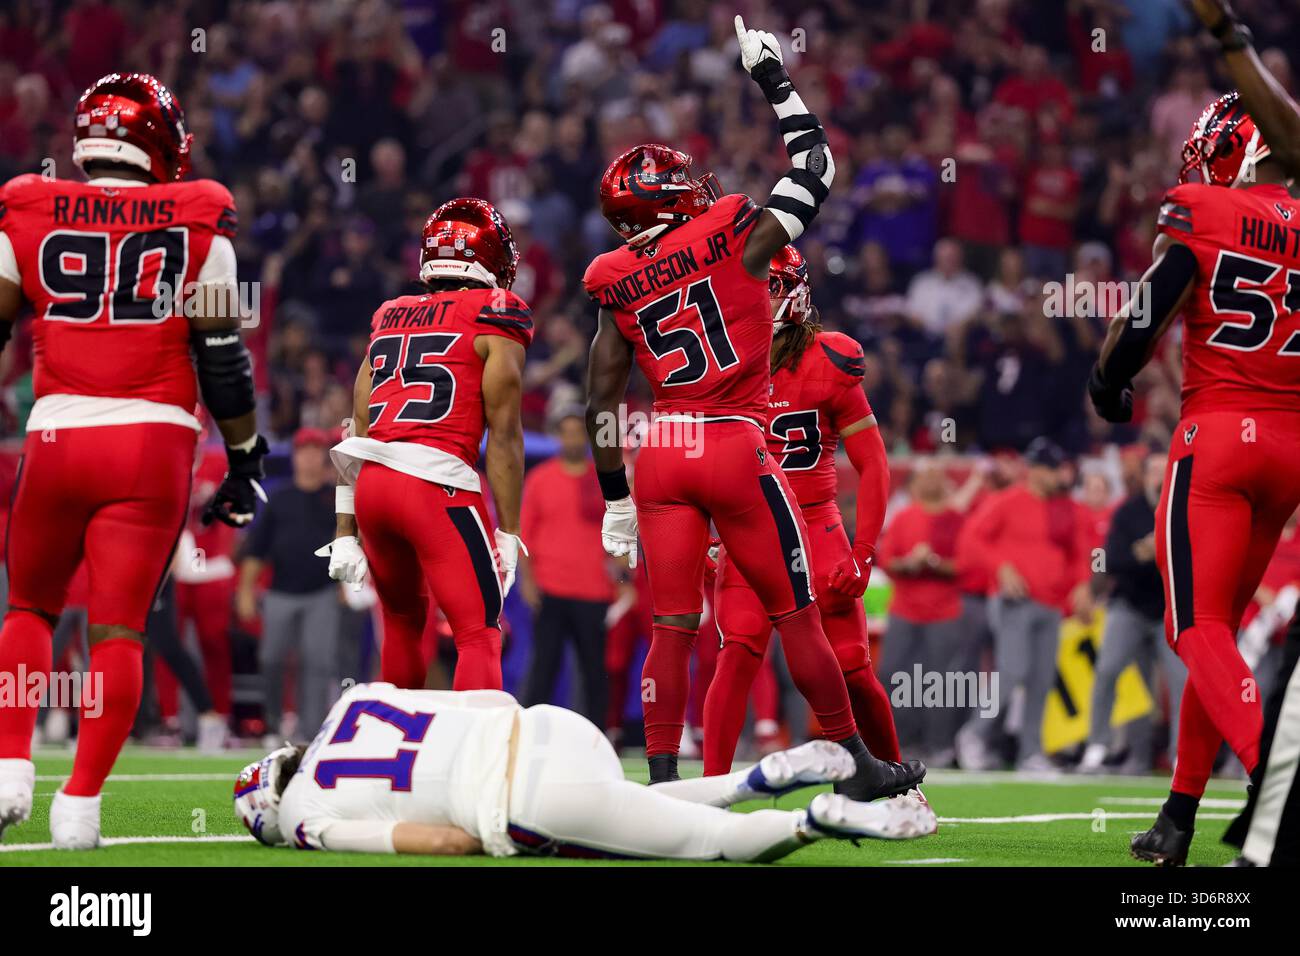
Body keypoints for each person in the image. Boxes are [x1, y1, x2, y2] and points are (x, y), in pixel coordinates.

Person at [582, 17, 922, 800]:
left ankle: (661, 779)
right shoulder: (735, 226)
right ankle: (857, 764)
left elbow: (601, 396)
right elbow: (818, 165)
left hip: (661, 449)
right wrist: (772, 78)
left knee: (672, 624)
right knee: (794, 613)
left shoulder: (610, 274)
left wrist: (615, 500)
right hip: (734, 441)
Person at [0, 73, 266, 848]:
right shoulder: (199, 217)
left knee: (29, 608)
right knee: (118, 631)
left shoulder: (26, 207)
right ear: (161, 140)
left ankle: (11, 763)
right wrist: (245, 454)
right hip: (151, 443)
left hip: (55, 436)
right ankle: (78, 805)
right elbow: (223, 356)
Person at [1087, 47, 1300, 860]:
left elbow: (1141, 325)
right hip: (1290, 450)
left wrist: (1108, 380)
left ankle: (1274, 777)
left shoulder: (1204, 212)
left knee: (1196, 629)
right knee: (1219, 634)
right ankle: (1178, 816)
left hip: (1219, 440)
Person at [233, 682, 937, 860]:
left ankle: (809, 821)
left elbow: (447, 843)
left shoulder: (301, 820)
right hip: (549, 726)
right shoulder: (356, 701)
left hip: (526, 800)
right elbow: (493, 699)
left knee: (709, 844)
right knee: (631, 800)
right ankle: (753, 780)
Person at [317, 198, 531, 692]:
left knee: (401, 624)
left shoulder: (390, 314)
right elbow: (505, 436)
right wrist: (509, 531)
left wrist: (344, 528)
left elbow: (358, 430)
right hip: (437, 486)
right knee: (478, 634)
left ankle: (401, 757)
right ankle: (475, 765)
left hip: (374, 490)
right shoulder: (498, 312)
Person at [703, 245, 900, 775]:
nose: (751, 299)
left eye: (764, 287)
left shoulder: (829, 358)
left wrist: (863, 551)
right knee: (737, 654)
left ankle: (897, 782)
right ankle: (708, 791)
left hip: (815, 525)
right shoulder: (720, 360)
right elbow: (702, 458)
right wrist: (707, 532)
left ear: (792, 291)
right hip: (749, 531)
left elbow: (875, 465)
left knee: (854, 668)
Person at [956, 438, 1088, 771]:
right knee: (1011, 670)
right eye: (1051, 468)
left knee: (1042, 678)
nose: (1057, 474)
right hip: (1014, 601)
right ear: (1034, 470)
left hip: (1051, 604)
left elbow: (1077, 552)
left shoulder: (1063, 507)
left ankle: (1031, 752)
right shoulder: (1007, 501)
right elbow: (971, 538)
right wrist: (1000, 567)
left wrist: (1083, 585)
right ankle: (973, 735)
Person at [1078, 449, 1183, 774]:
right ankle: (1098, 745)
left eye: (1163, 471)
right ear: (1145, 476)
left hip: (1170, 609)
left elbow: (1197, 560)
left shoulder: (1184, 510)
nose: (1158, 478)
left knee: (1181, 682)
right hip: (1130, 606)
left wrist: (1161, 551)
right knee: (1108, 669)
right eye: (1153, 471)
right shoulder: (1128, 512)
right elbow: (1111, 560)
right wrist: (1142, 555)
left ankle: (1181, 754)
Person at [237, 428, 340, 744]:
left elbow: (350, 543)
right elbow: (256, 549)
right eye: (303, 451)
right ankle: (272, 724)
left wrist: (351, 586)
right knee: (270, 657)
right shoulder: (279, 499)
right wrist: (244, 591)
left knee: (318, 662)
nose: (309, 458)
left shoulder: (336, 498)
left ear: (323, 457)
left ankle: (310, 731)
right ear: (294, 456)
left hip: (323, 592)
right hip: (280, 591)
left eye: (315, 451)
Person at [519, 409, 616, 724]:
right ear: (557, 437)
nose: (572, 439)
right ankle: (530, 732)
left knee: (594, 672)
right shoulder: (539, 479)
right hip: (551, 588)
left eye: (578, 432)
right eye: (567, 432)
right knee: (543, 667)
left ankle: (598, 737)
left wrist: (620, 577)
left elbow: (619, 531)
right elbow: (525, 535)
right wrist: (528, 582)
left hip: (594, 590)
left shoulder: (602, 480)